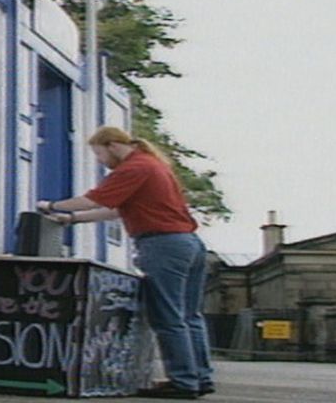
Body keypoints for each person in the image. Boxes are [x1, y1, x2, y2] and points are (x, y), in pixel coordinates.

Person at [37, 126, 214, 400]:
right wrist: (72, 220)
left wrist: (51, 206)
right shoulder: (154, 165)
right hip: (189, 244)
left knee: (167, 316)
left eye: (99, 154)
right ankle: (200, 378)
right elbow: (116, 209)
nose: (100, 161)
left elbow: (93, 199)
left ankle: (183, 382)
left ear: (112, 145)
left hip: (162, 245)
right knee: (190, 316)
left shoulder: (134, 167)